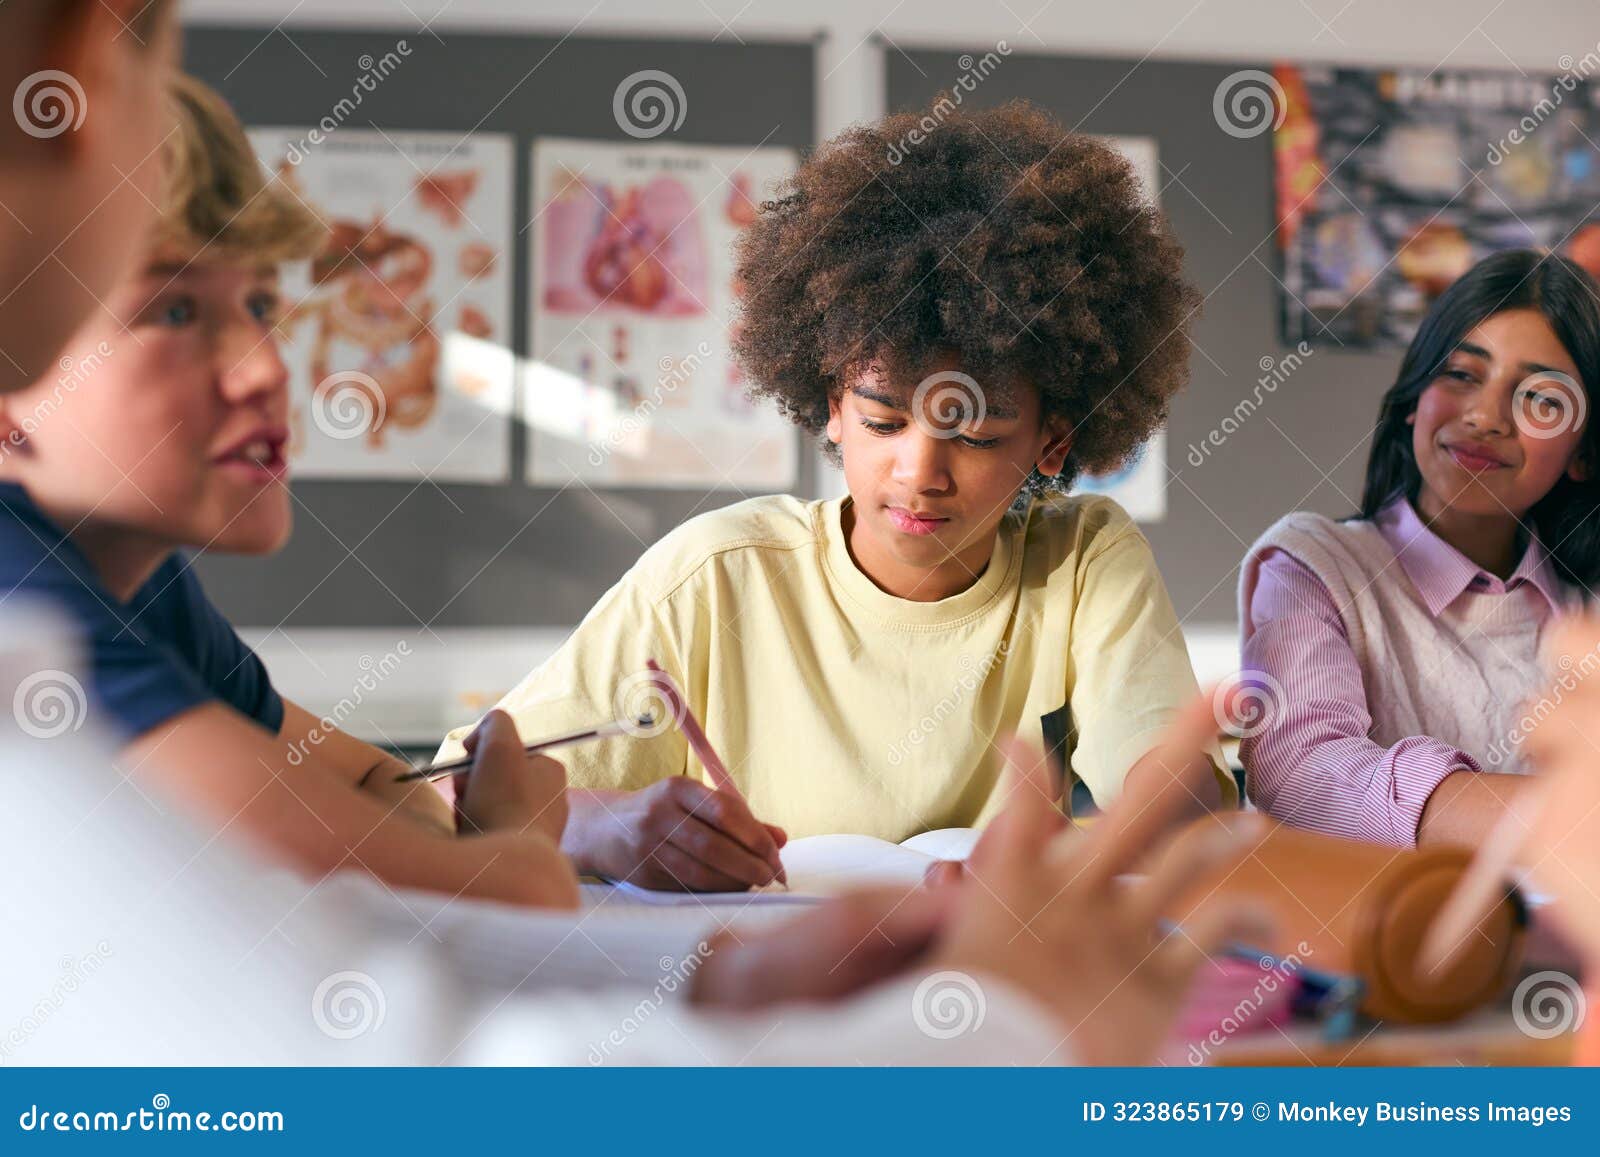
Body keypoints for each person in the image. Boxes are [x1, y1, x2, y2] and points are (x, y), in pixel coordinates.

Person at [437, 99, 1234, 893]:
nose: (919, 472)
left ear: (1052, 442)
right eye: (883, 420)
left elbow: (1181, 807)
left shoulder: (1083, 559)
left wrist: (1091, 845)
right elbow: (452, 798)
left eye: (980, 436)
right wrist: (604, 825)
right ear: (831, 405)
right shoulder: (715, 578)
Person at [1240, 250, 1600, 848]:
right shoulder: (1313, 564)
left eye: (1541, 399)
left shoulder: (1584, 606)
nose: (1486, 417)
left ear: (1584, 453)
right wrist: (1564, 819)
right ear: (1412, 402)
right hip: (1385, 939)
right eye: (1461, 374)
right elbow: (1301, 778)